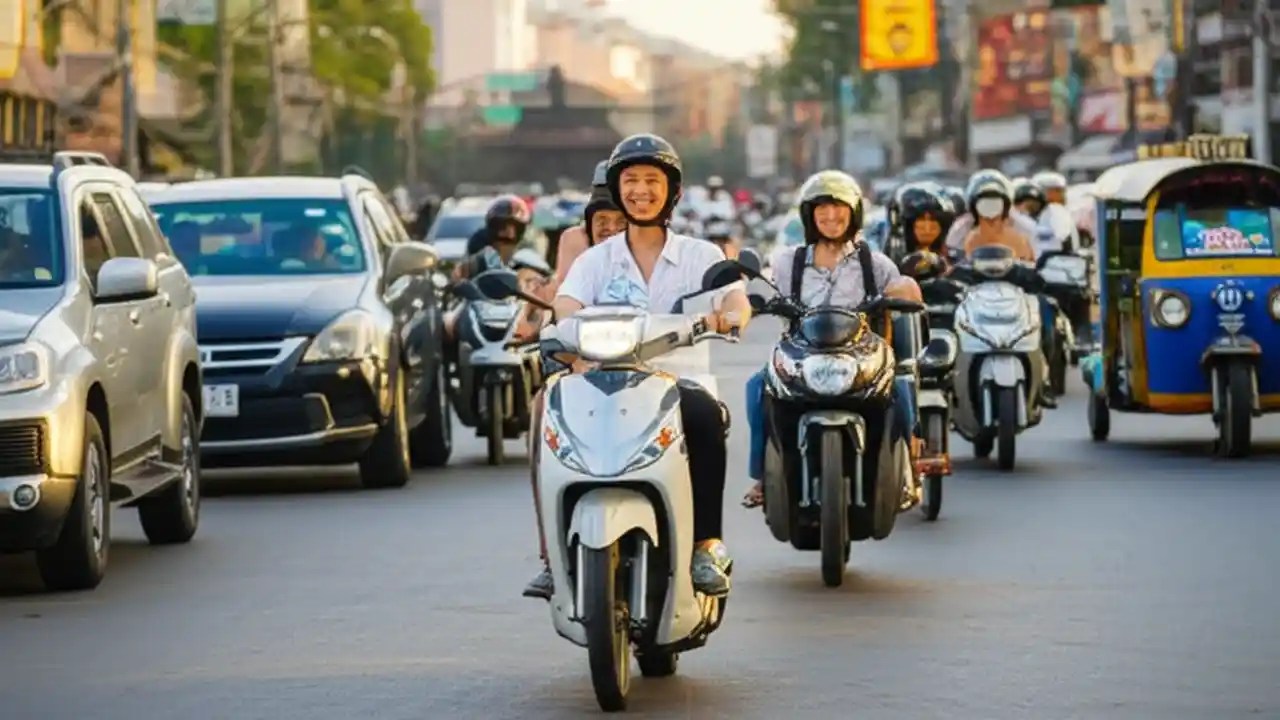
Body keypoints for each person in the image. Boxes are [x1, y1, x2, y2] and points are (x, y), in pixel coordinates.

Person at [523, 133, 751, 601]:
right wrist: (566, 329)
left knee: (707, 416)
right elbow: (566, 304)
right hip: (604, 383)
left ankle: (707, 543)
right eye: (630, 180)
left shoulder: (700, 255)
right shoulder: (594, 259)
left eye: (652, 180)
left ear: (672, 191)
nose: (640, 190)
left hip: (679, 385)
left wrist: (731, 312)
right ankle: (553, 554)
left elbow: (733, 295)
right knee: (549, 415)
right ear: (616, 187)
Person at [740, 170, 923, 509]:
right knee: (756, 388)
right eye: (821, 208)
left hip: (860, 355)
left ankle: (907, 470)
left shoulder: (875, 263)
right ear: (809, 215)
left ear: (853, 212)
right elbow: (760, 291)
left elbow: (906, 289)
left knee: (899, 387)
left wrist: (903, 292)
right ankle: (763, 477)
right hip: (800, 354)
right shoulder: (786, 262)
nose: (830, 216)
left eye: (838, 207)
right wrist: (751, 301)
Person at [554, 161, 627, 284]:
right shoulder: (575, 242)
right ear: (588, 226)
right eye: (602, 221)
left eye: (622, 221)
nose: (612, 228)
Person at [944, 171, 1037, 255]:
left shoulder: (1023, 225)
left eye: (995, 200)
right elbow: (951, 251)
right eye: (984, 201)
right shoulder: (961, 227)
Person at [462, 194, 531, 261]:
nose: (509, 234)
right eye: (502, 226)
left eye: (516, 227)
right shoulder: (478, 241)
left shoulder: (527, 244)